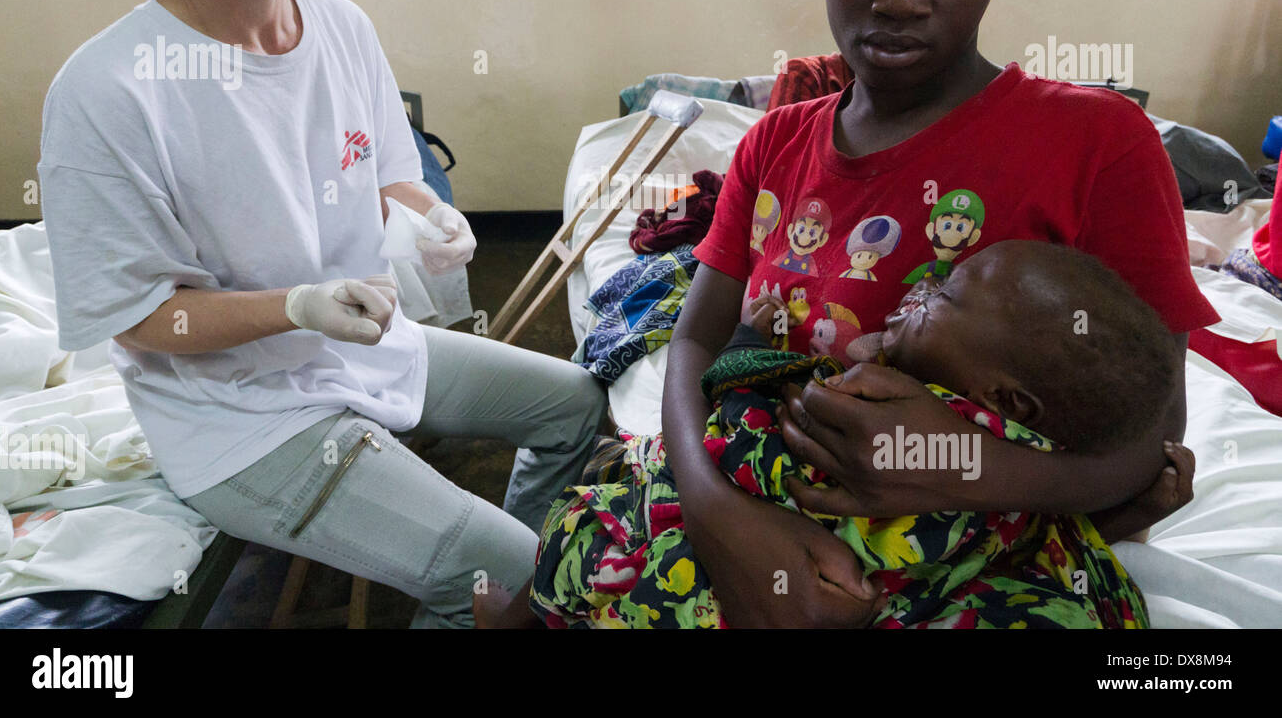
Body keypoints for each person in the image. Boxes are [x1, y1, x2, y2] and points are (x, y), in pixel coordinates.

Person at [36, 0, 605, 628]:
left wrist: (430, 220)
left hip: (365, 347)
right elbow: (142, 319)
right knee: (510, 577)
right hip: (238, 421)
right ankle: (496, 589)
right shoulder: (110, 90)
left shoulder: (339, 26)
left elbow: (386, 174)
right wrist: (296, 306)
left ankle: (488, 593)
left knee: (573, 406)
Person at [659, 0, 1220, 628]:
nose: (904, 0)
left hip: (972, 562)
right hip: (761, 516)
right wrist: (718, 515)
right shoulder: (775, 143)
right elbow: (696, 338)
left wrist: (960, 464)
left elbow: (1148, 429)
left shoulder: (1096, 146)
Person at [477, 240, 1193, 628]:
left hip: (782, 581)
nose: (919, 289)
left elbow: (755, 440)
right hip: (913, 580)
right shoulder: (1039, 449)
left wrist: (763, 367)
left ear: (1004, 399)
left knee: (588, 518)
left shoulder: (871, 401)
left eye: (942, 295)